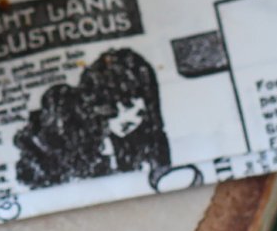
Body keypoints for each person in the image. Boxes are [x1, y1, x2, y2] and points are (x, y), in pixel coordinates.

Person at [14, 48, 171, 190]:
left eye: (140, 113)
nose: (130, 119)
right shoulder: (64, 130)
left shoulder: (137, 142)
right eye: (125, 104)